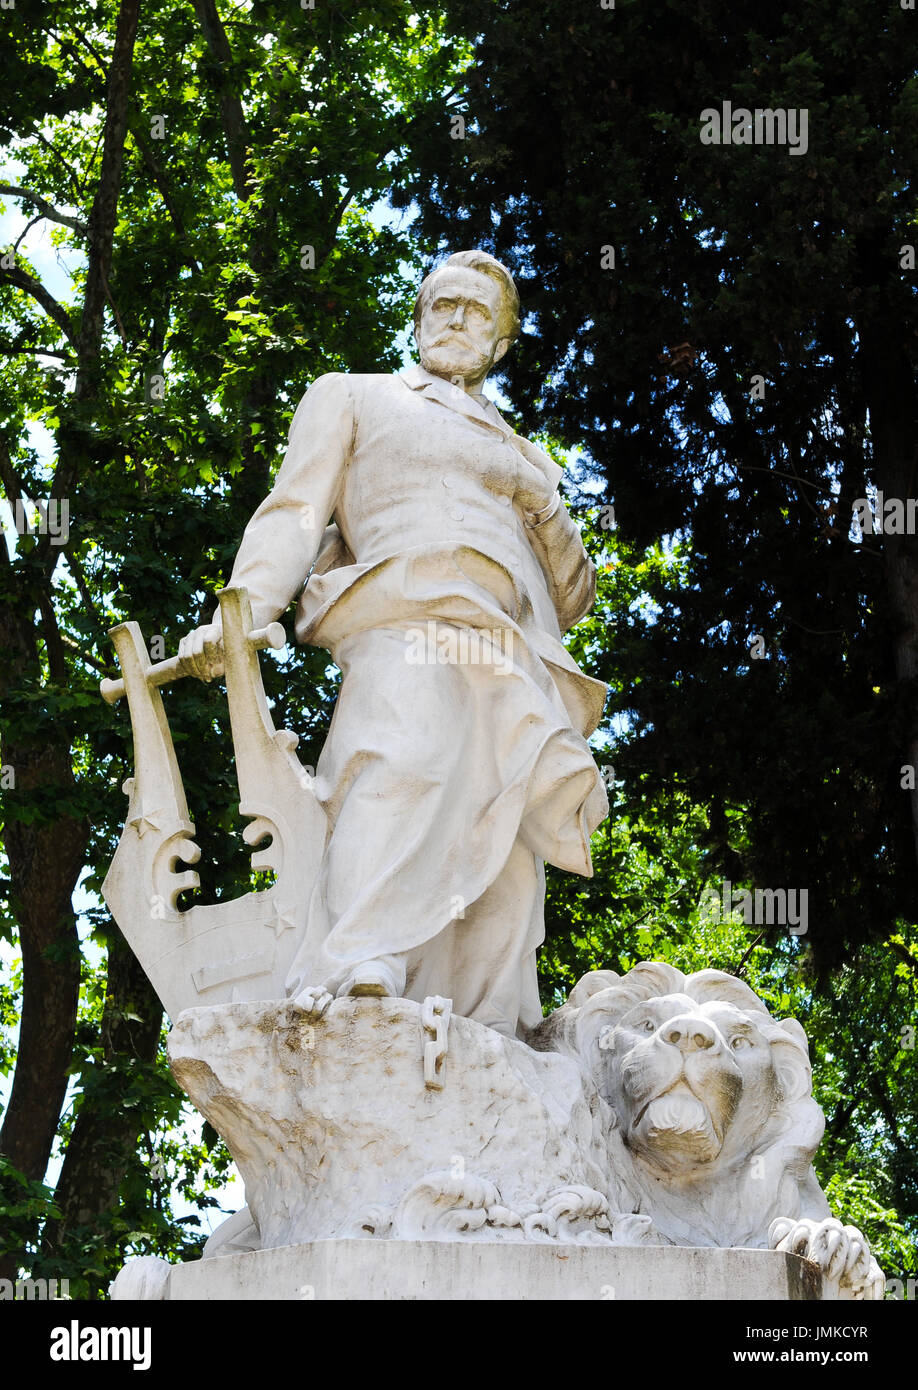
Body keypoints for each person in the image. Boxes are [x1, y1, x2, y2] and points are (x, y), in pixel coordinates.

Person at [178, 250, 608, 1038]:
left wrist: (543, 502)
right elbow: (294, 515)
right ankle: (358, 961)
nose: (455, 320)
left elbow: (573, 598)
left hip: (513, 648)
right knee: (399, 752)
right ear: (419, 317)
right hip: (400, 610)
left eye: (477, 314)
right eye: (442, 304)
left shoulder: (524, 456)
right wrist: (240, 612)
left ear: (501, 344)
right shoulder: (354, 397)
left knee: (506, 837)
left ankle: (488, 1023)